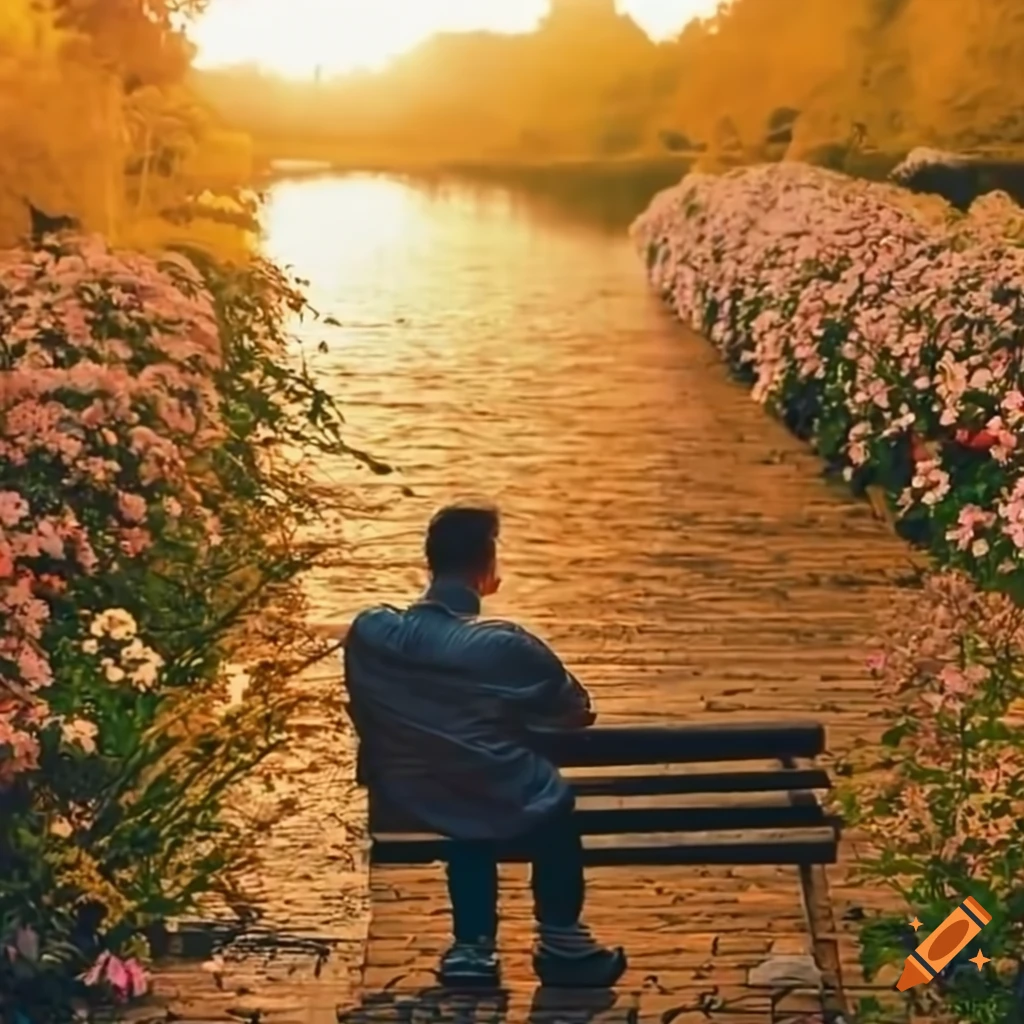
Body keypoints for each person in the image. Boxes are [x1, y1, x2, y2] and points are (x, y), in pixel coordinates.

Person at [343, 501, 627, 988]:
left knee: (463, 791)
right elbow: (576, 710)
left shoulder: (371, 630)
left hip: (409, 792)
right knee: (538, 794)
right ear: (487, 566)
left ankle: (473, 947)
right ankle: (562, 941)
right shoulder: (505, 645)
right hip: (498, 792)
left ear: (428, 562)